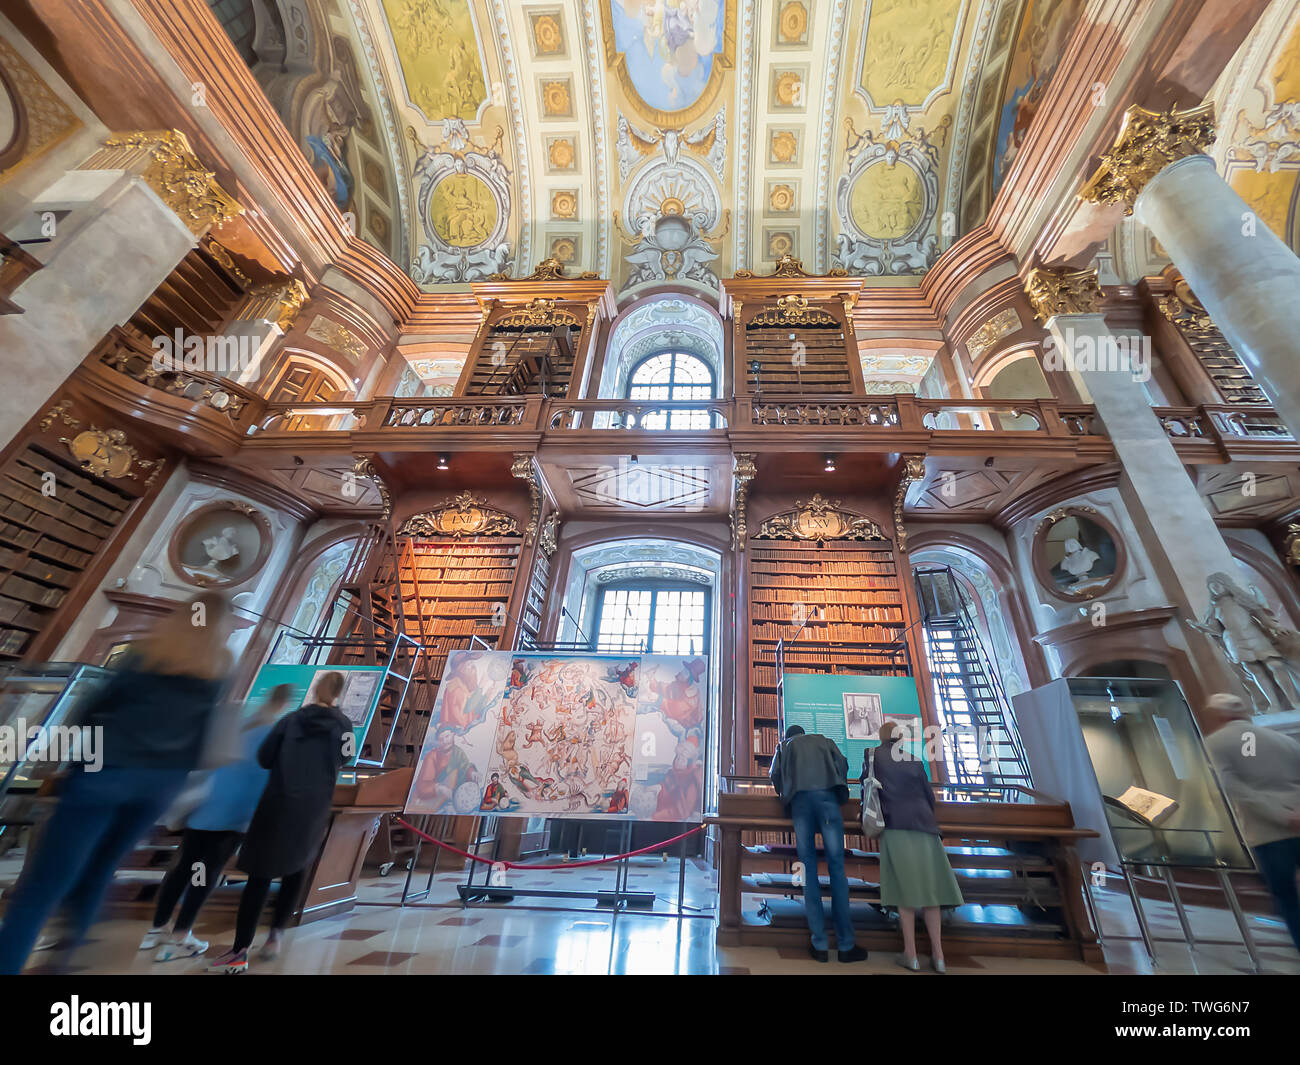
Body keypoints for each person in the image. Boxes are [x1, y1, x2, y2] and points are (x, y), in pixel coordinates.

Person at [0, 593, 234, 974]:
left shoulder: (148, 653)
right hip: (158, 785)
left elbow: (90, 709)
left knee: (45, 882)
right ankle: (66, 953)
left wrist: (76, 760)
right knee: (100, 867)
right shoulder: (217, 669)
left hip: (104, 773)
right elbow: (202, 733)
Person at [209, 672, 351, 973]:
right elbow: (346, 758)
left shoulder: (289, 721)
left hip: (279, 800)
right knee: (297, 867)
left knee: (260, 874)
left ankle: (240, 949)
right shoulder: (344, 725)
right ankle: (275, 935)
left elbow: (264, 757)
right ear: (340, 693)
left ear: (315, 690)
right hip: (313, 805)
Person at [143, 684, 293, 962]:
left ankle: (157, 927)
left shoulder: (245, 724)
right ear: (284, 705)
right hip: (234, 814)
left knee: (184, 867)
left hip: (206, 807)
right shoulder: (274, 735)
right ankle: (181, 934)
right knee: (205, 873)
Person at [1203, 692, 1300, 953]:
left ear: (1218, 715)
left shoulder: (1216, 742)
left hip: (1269, 832)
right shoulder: (1283, 739)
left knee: (1287, 897)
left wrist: (1282, 816)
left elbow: (1233, 788)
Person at [768, 724, 868, 963]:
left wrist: (785, 794)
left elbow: (775, 775)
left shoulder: (784, 746)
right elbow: (842, 764)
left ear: (790, 735)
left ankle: (820, 944)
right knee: (837, 868)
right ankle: (845, 945)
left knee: (807, 869)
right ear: (804, 733)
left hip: (801, 803)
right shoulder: (824, 740)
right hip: (828, 801)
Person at [870, 721, 962, 973]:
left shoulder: (873, 755)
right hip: (925, 826)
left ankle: (910, 954)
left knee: (904, 892)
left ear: (881, 737)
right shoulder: (913, 758)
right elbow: (928, 795)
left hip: (895, 825)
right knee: (931, 891)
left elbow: (867, 787)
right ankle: (939, 955)